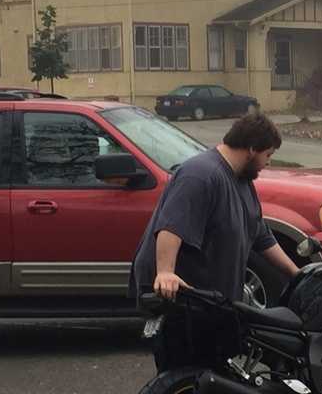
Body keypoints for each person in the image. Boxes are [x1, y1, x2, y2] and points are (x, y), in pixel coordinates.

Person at [129, 113, 300, 372]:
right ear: (252, 149)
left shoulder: (242, 180)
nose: (268, 161)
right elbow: (171, 227)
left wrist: (297, 274)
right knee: (188, 376)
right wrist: (165, 272)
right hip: (183, 301)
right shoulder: (200, 175)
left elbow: (261, 236)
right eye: (268, 154)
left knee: (217, 373)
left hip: (212, 303)